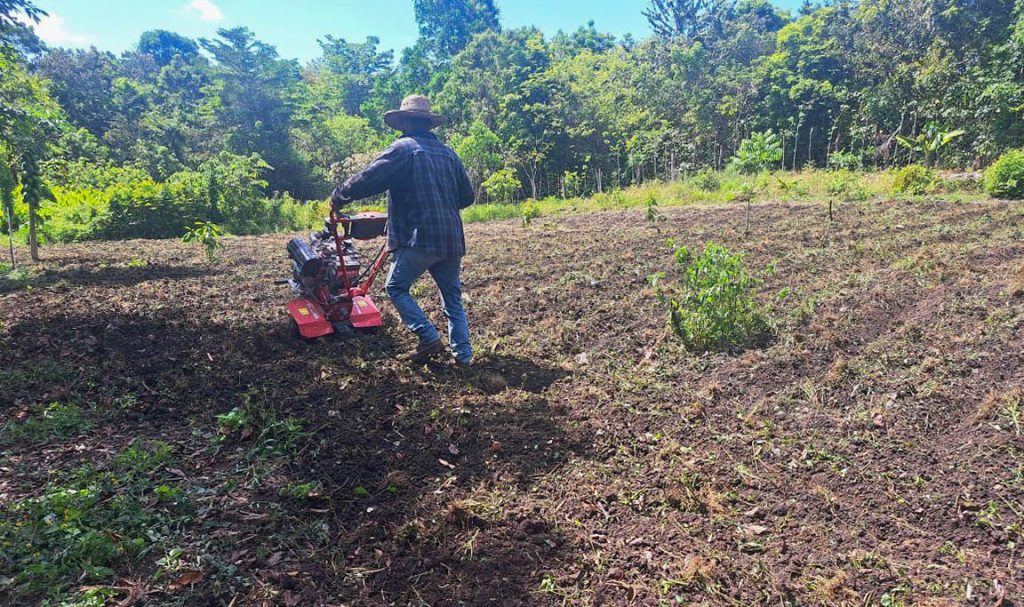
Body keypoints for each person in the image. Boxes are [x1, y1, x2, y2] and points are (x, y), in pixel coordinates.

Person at [331, 95, 475, 365]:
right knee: (452, 297)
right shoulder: (449, 154)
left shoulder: (403, 149)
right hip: (451, 239)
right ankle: (464, 356)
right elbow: (467, 197)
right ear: (428, 125)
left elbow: (370, 177)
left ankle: (428, 336)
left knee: (395, 287)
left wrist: (341, 195)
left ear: (405, 122)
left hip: (419, 236)